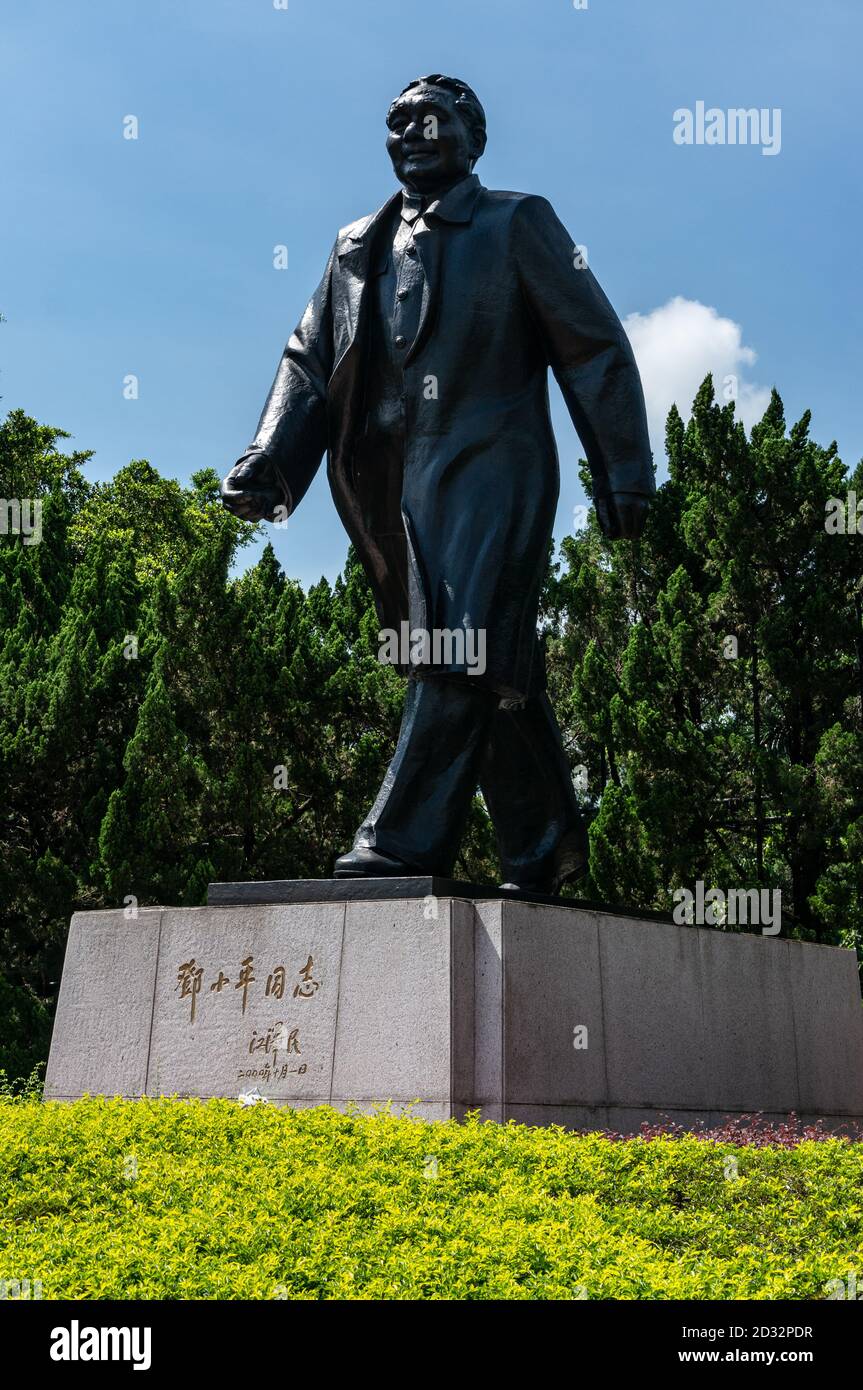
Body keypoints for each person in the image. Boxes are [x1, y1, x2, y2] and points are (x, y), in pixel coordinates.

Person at [221, 74, 654, 891]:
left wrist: (623, 474)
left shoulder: (515, 221)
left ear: (473, 136)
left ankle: (398, 842)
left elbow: (592, 348)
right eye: (398, 122)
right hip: (391, 486)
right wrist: (270, 460)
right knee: (483, 658)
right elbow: (309, 361)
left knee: (452, 645)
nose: (413, 133)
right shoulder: (357, 244)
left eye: (434, 118)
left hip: (493, 465)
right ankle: (542, 837)